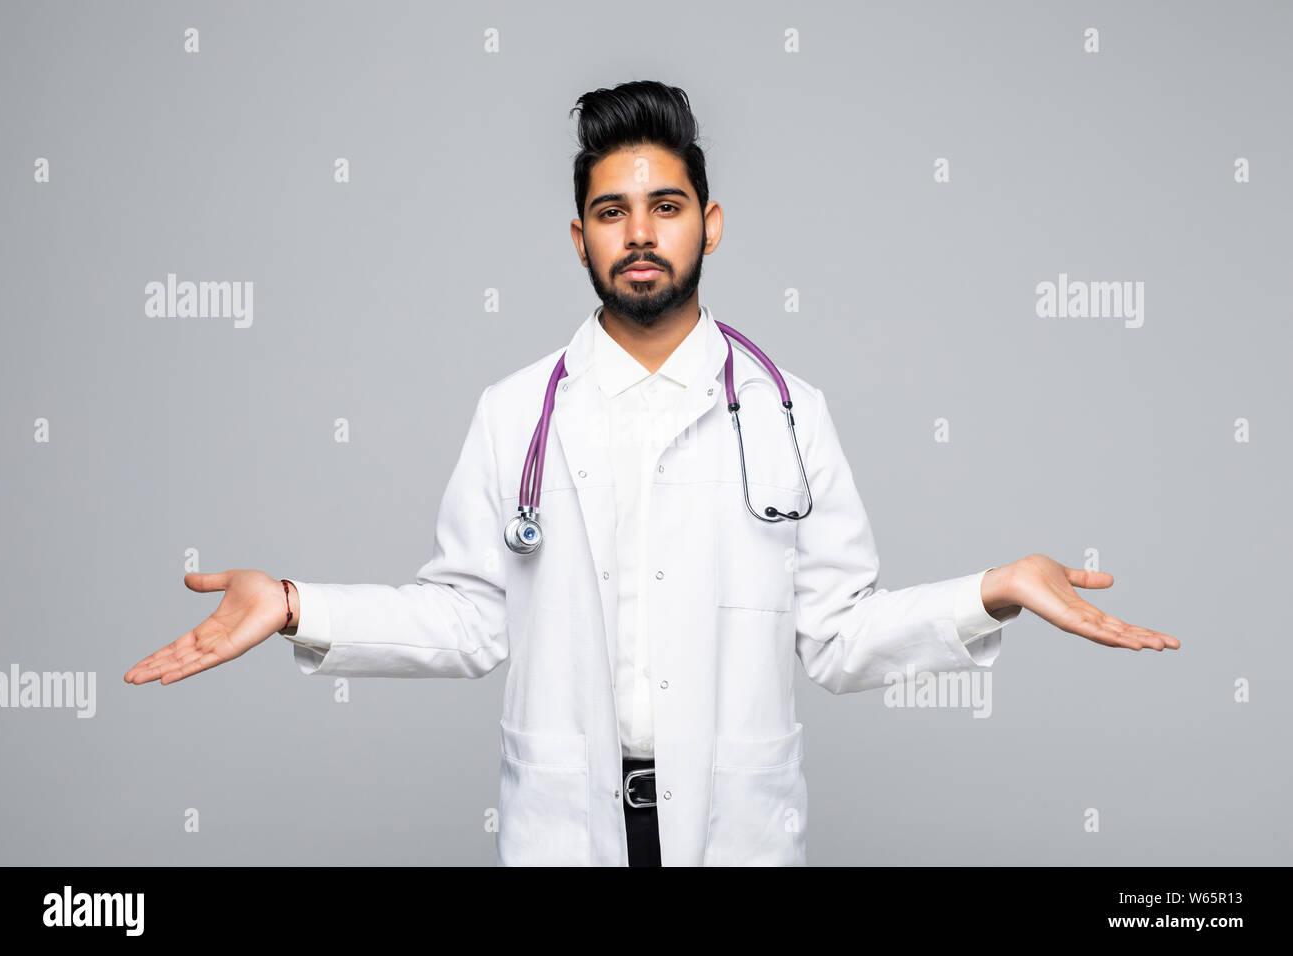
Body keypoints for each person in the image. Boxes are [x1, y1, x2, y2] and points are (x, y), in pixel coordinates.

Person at [125, 80, 1178, 867]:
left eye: (666, 206)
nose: (640, 233)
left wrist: (992, 590)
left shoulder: (786, 409)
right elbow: (468, 621)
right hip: (560, 824)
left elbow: (841, 637)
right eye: (613, 211)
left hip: (738, 823)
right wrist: (298, 605)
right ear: (578, 236)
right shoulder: (514, 413)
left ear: (708, 225)